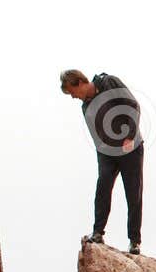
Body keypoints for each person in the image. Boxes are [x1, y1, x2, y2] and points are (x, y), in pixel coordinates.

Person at [60, 69, 144, 255]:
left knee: (133, 192)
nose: (73, 97)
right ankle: (98, 232)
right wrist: (104, 154)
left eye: (72, 92)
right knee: (103, 187)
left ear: (79, 83)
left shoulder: (109, 83)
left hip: (131, 147)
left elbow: (133, 105)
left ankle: (134, 241)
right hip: (107, 153)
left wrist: (129, 136)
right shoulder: (86, 107)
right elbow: (96, 135)